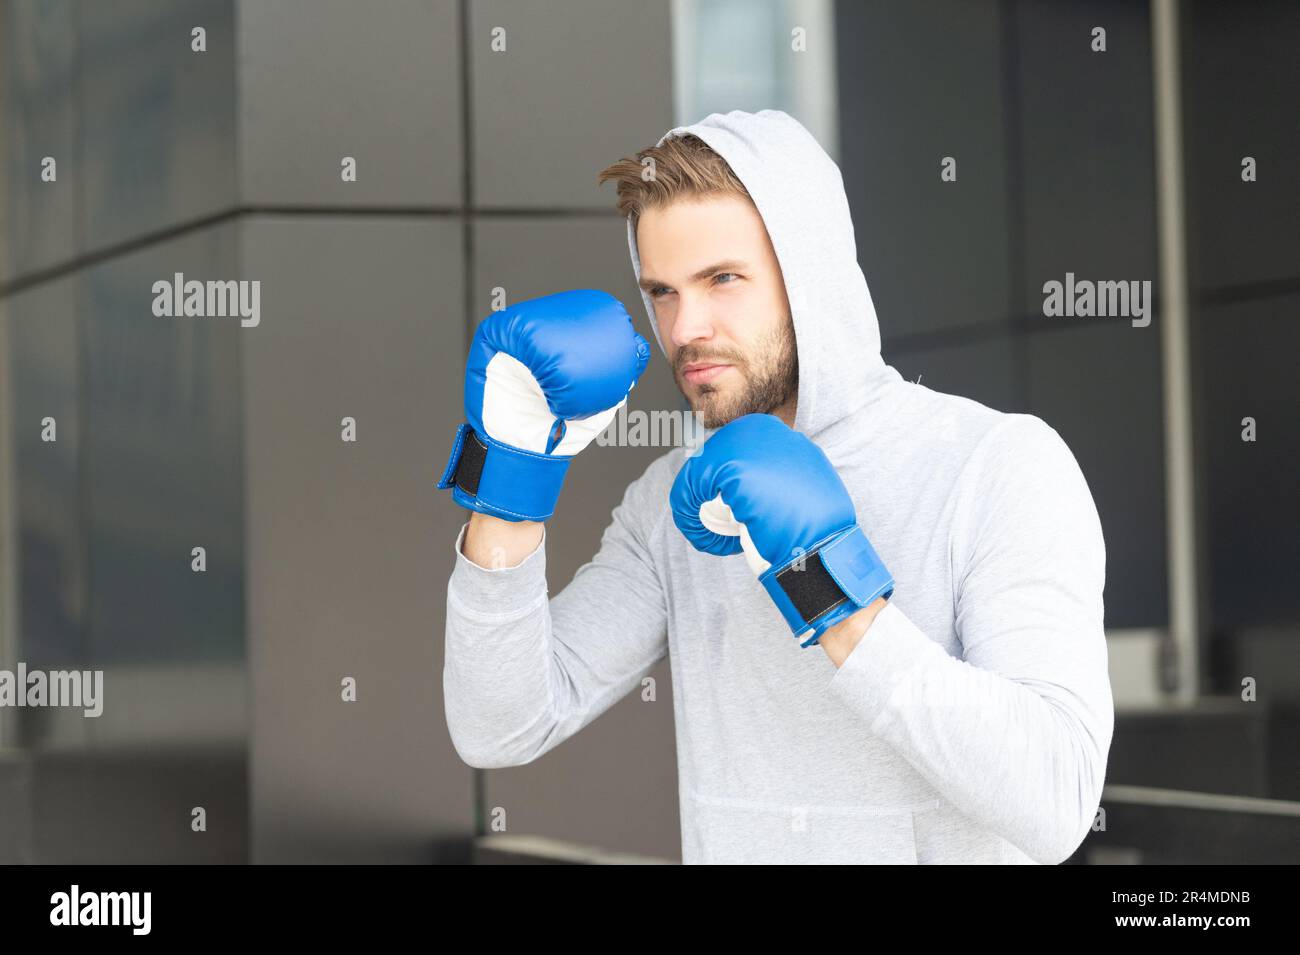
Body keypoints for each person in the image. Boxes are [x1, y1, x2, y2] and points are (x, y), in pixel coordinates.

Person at [438, 109, 1114, 864]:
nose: (685, 326)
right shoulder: (676, 498)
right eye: (661, 291)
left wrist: (834, 592)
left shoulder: (998, 463)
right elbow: (499, 723)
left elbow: (1057, 802)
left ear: (809, 273)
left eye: (722, 279)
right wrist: (509, 484)